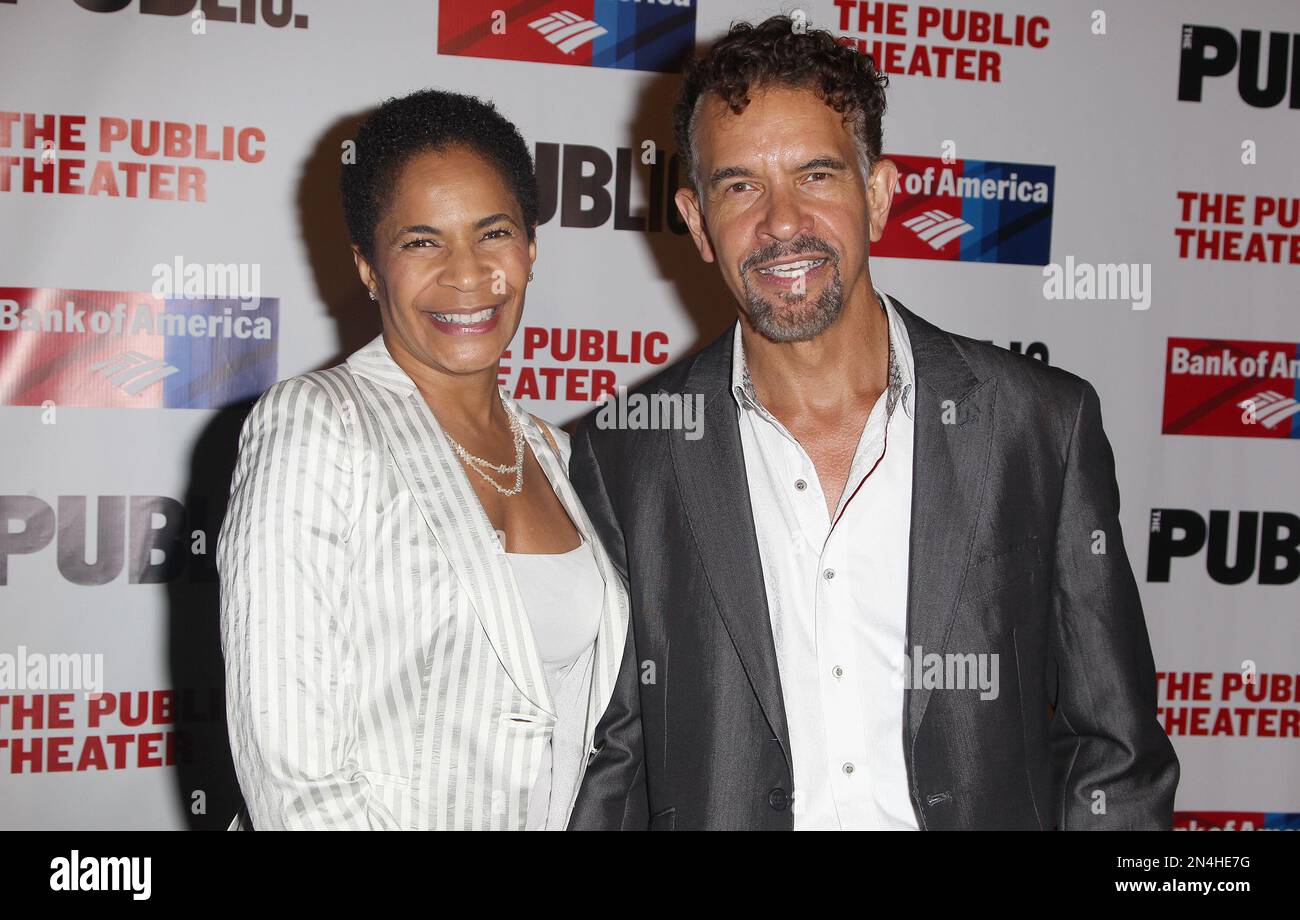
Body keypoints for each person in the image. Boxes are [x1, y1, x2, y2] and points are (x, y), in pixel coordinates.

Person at [567, 16, 1178, 830]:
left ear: (880, 194)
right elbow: (615, 765)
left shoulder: (1038, 425)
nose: (782, 223)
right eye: (740, 185)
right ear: (696, 219)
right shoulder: (623, 458)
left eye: (816, 176)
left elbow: (1118, 751)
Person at [217, 88, 629, 830]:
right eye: (421, 241)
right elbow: (293, 781)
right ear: (369, 267)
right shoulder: (319, 424)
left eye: (493, 232)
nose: (466, 274)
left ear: (530, 248)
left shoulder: (558, 455)